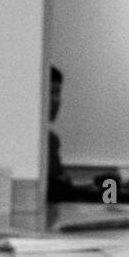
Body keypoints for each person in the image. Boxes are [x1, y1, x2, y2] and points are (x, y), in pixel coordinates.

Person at [46, 65, 74, 202]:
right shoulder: (48, 141)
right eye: (52, 92)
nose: (57, 100)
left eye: (58, 93)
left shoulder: (52, 140)